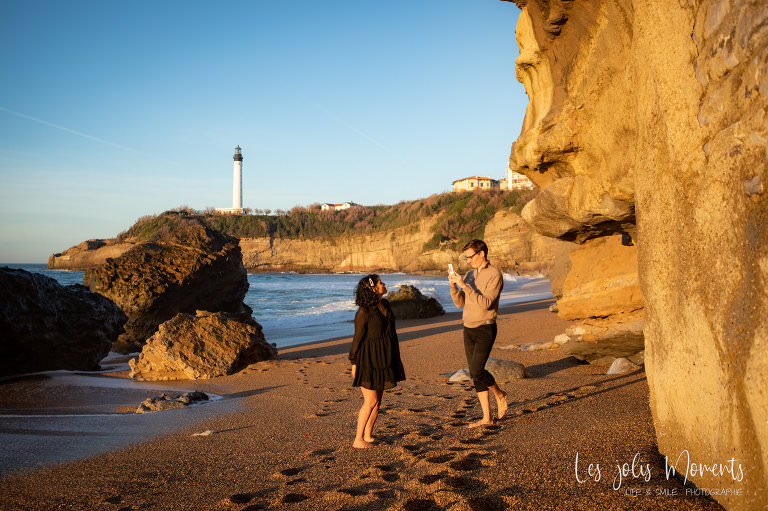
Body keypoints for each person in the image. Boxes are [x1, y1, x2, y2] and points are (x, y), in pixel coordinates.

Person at [449, 239, 508, 428]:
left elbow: (486, 303)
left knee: (476, 370)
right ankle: (487, 417)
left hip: (485, 327)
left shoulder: (495, 275)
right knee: (476, 375)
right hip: (468, 328)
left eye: (470, 256)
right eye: (466, 258)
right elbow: (460, 303)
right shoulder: (469, 275)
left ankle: (500, 394)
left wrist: (465, 286)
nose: (468, 261)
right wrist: (453, 286)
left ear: (482, 253)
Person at [349, 274, 406, 448]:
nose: (384, 284)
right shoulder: (363, 312)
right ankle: (358, 439)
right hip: (368, 361)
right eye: (381, 283)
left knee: (378, 401)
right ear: (373, 288)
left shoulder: (386, 305)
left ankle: (368, 434)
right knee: (371, 401)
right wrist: (354, 363)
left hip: (385, 358)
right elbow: (357, 339)